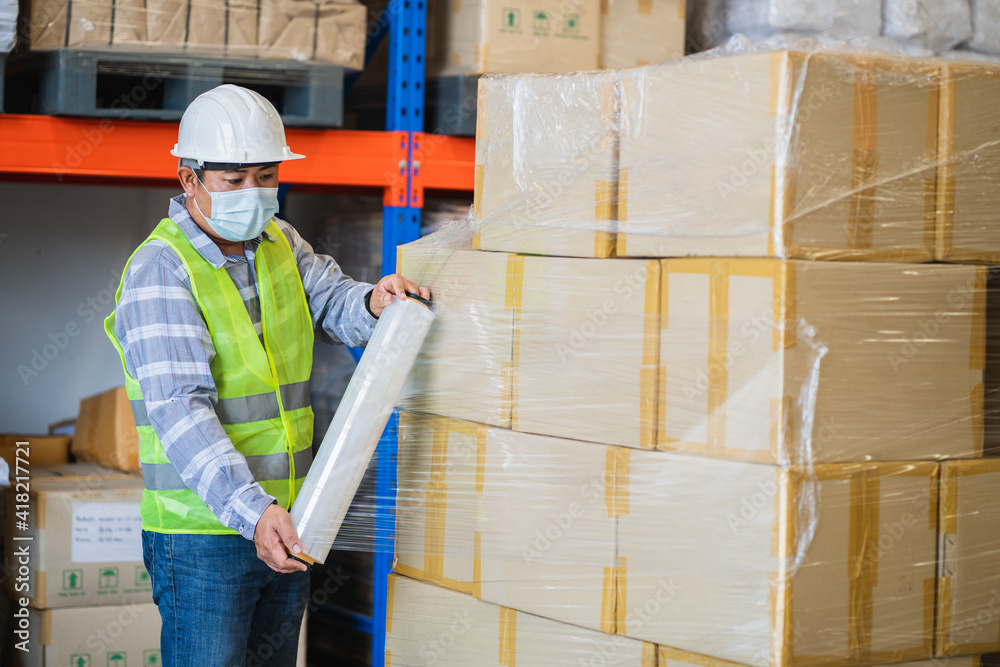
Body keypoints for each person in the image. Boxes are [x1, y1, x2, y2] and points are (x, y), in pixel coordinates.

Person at [104, 84, 429, 666]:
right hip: (205, 535)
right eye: (233, 179)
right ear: (189, 180)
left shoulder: (279, 242)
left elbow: (333, 301)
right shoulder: (162, 270)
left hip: (289, 519)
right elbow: (180, 410)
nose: (253, 192)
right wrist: (254, 511)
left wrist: (376, 303)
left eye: (265, 175)